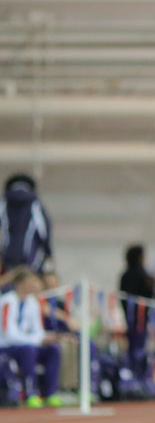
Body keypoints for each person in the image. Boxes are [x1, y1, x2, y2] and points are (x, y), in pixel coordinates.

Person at [0, 267, 62, 407]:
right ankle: (31, 393)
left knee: (53, 349)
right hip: (6, 347)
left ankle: (50, 393)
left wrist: (47, 338)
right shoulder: (6, 302)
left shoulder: (33, 303)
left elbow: (37, 330)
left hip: (27, 345)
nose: (35, 285)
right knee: (29, 350)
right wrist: (37, 340)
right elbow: (9, 334)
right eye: (31, 282)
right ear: (21, 284)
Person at [119, 243, 155, 398]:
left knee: (136, 348)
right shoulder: (141, 275)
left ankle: (137, 378)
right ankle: (137, 379)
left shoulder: (126, 275)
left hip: (134, 319)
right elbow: (146, 295)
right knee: (138, 349)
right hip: (138, 319)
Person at [0, 173, 53, 276]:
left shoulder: (4, 204)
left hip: (7, 257)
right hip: (30, 257)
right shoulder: (35, 205)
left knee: (10, 282)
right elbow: (43, 231)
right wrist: (48, 252)